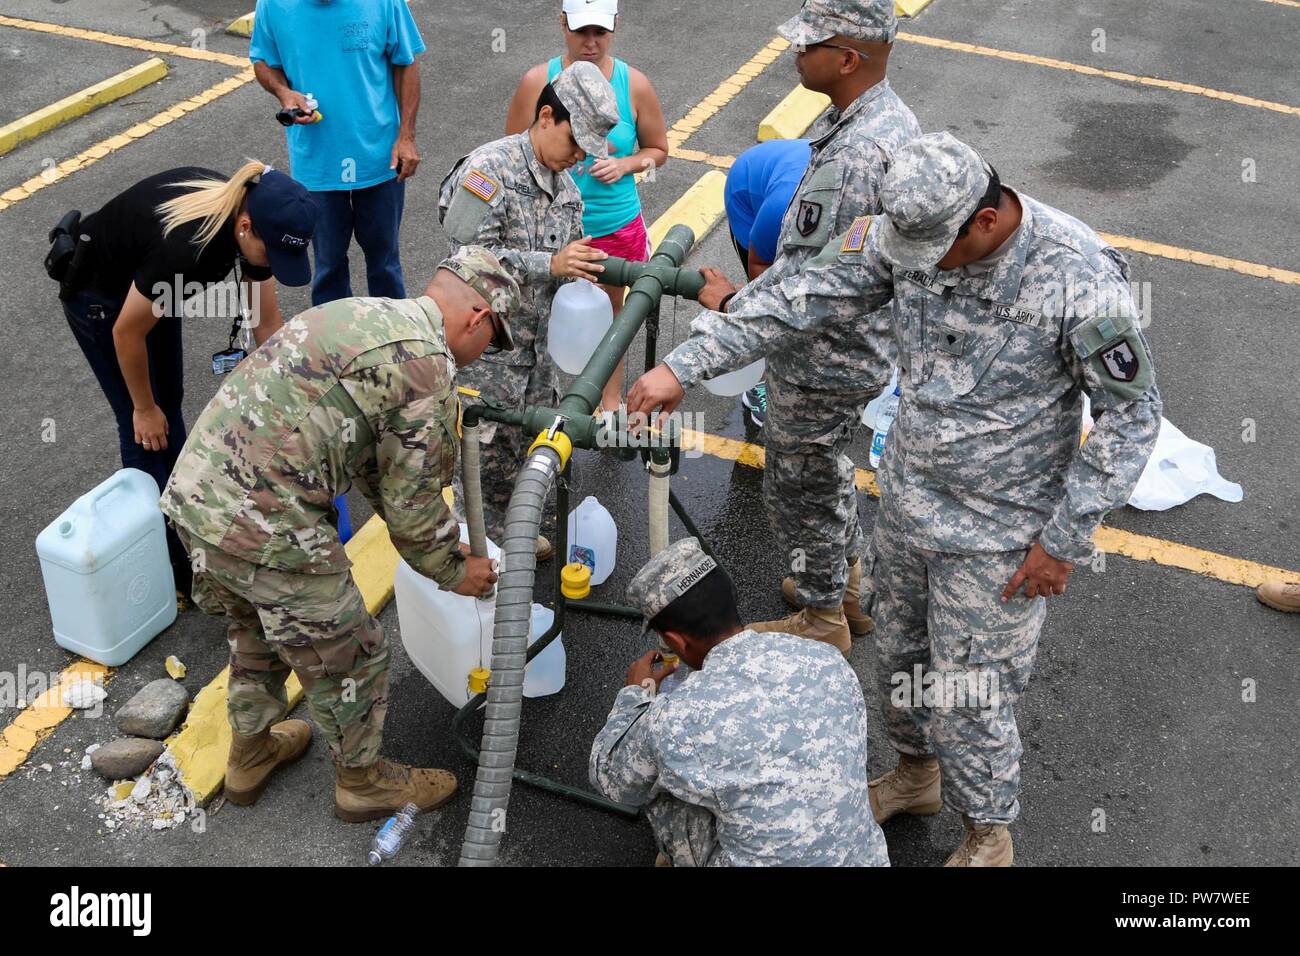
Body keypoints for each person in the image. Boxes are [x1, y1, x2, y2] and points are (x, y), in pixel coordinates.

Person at [628, 132, 1164, 865]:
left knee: (972, 697)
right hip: (910, 504)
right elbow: (801, 295)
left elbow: (1132, 416)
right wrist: (683, 366)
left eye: (933, 254)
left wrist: (1063, 541)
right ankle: (916, 778)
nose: (917, 271)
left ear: (984, 220)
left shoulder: (1078, 277)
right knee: (902, 661)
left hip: (1001, 535)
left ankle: (987, 834)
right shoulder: (911, 235)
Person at [160, 247, 516, 822]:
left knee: (257, 627)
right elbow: (413, 504)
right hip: (267, 527)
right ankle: (363, 782)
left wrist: (437, 549)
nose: (482, 357)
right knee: (353, 652)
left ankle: (250, 755)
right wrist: (456, 568)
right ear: (477, 316)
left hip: (196, 503)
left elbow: (378, 471)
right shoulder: (426, 367)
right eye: (491, 341)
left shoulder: (365, 315)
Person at [683, 0, 923, 654]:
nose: (796, 52)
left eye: (810, 45)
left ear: (847, 59)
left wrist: (729, 307)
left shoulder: (854, 157)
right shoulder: (888, 119)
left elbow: (800, 289)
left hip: (823, 360)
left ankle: (823, 618)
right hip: (861, 346)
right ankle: (846, 590)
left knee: (799, 483)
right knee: (826, 472)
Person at [53, 162, 315, 603]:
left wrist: (298, 393)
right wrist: (142, 407)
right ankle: (170, 566)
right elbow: (126, 332)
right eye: (274, 254)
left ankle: (185, 531)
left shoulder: (246, 211)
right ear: (247, 229)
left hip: (149, 289)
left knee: (169, 410)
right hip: (101, 299)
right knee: (146, 429)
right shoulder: (190, 251)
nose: (275, 265)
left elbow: (266, 324)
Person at [589, 537, 890, 867]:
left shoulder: (679, 720)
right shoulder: (827, 659)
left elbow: (611, 777)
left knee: (659, 781)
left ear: (675, 641)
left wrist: (636, 694)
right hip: (864, 859)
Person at [439, 60, 620, 560]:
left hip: (540, 358)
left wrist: (582, 266)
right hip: (492, 352)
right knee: (483, 459)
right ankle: (477, 551)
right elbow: (463, 262)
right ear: (545, 116)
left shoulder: (568, 191)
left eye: (587, 151)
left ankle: (513, 535)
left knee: (532, 451)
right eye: (574, 143)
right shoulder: (487, 172)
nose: (579, 158)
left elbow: (569, 257)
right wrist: (552, 263)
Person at [505, 0, 669, 414]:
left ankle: (609, 402)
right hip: (549, 228)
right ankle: (543, 398)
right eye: (581, 32)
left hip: (612, 223)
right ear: (562, 24)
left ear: (615, 25)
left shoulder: (635, 84)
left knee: (610, 315)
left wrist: (629, 163)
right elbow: (512, 156)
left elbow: (658, 151)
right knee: (541, 314)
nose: (591, 43)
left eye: (601, 32)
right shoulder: (537, 81)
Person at [251, 0, 425, 305]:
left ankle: (397, 345)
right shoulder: (273, 4)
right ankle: (334, 349)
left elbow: (405, 61)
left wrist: (406, 136)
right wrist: (283, 92)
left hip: (380, 159)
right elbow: (263, 61)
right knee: (328, 267)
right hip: (317, 165)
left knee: (385, 264)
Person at [723, 138, 814, 428]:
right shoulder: (780, 209)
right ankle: (757, 383)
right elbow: (759, 268)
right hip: (748, 193)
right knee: (772, 302)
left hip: (785, 173)